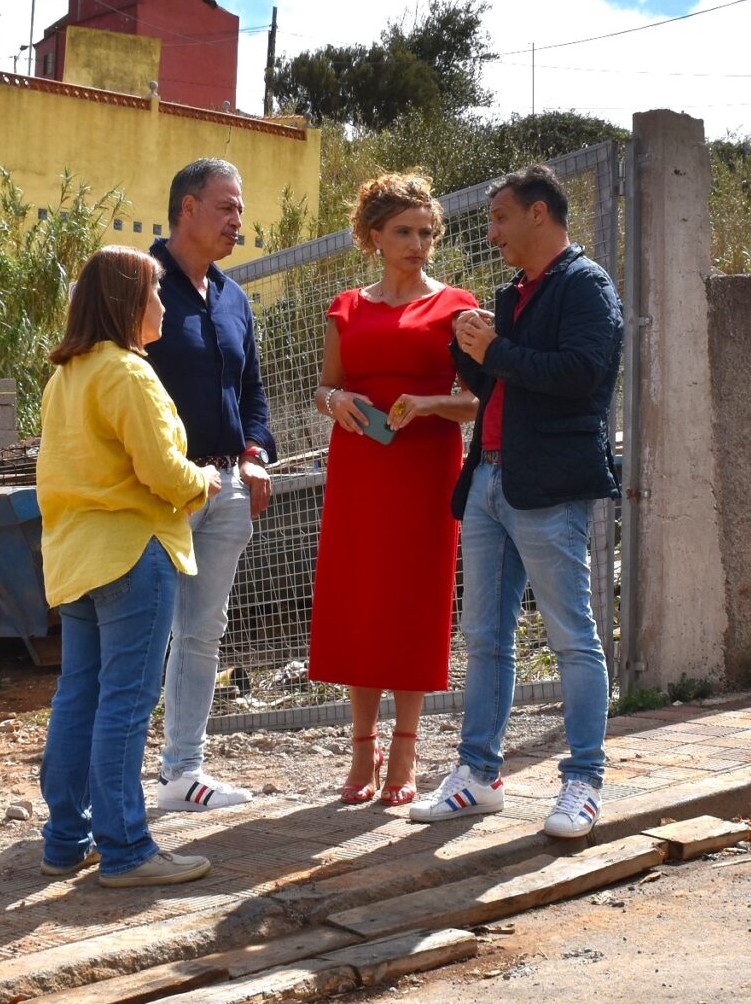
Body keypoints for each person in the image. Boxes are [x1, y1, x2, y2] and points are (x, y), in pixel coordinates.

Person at [410, 164, 623, 842]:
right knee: (485, 638)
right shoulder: (512, 294)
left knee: (572, 637)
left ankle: (584, 780)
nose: (493, 232)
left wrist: (497, 348)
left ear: (539, 214)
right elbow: (497, 383)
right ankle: (477, 774)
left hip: (547, 489)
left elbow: (582, 374)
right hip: (490, 484)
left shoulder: (586, 286)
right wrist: (468, 346)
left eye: (501, 218)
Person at [35, 247, 224, 888]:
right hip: (133, 555)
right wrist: (205, 480)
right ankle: (127, 850)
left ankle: (66, 840)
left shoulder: (67, 375)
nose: (164, 305)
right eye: (156, 292)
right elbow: (163, 472)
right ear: (127, 301)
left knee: (78, 699)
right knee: (126, 705)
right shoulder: (129, 373)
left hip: (76, 561)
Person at [309, 173, 480, 806]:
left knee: (412, 601)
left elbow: (476, 403)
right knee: (360, 602)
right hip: (360, 468)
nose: (418, 243)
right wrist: (337, 401)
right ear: (374, 235)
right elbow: (322, 388)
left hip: (426, 470)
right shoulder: (344, 308)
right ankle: (361, 749)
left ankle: (405, 749)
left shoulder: (457, 307)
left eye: (427, 232)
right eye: (404, 231)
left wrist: (431, 403)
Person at [144, 158, 275, 814]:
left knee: (201, 633)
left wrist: (255, 454)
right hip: (157, 489)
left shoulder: (234, 297)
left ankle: (181, 774)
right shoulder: (136, 284)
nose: (237, 220)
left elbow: (253, 393)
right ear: (187, 209)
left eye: (240, 207)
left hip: (226, 489)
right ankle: (102, 783)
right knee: (136, 631)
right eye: (226, 206)